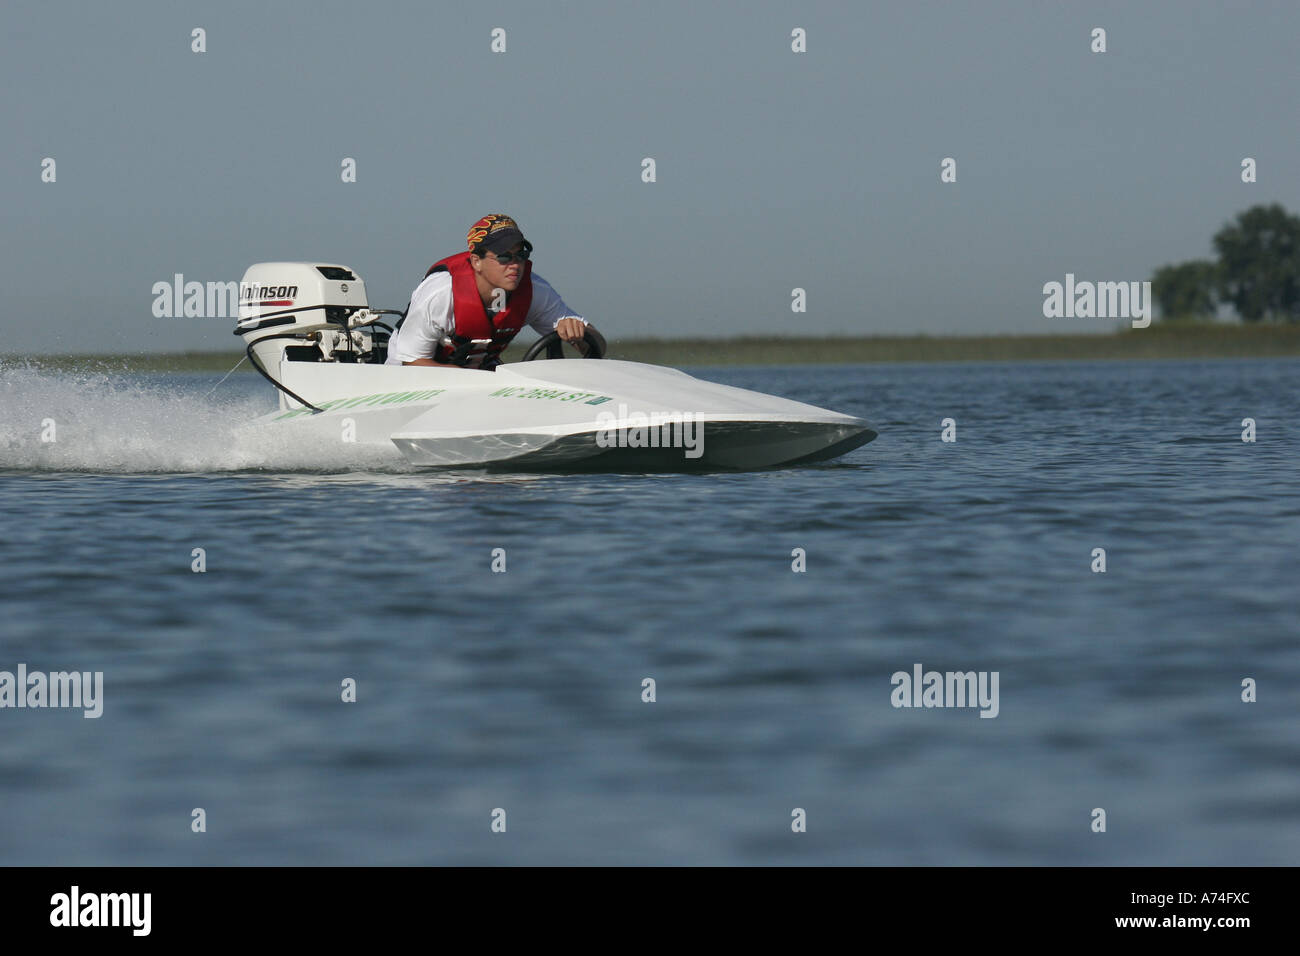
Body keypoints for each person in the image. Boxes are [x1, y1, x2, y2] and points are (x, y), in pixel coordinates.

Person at [386, 214, 601, 369]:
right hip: (409, 372)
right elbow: (412, 362)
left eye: (520, 255)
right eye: (504, 257)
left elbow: (597, 345)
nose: (515, 264)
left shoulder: (536, 291)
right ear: (476, 261)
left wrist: (579, 333)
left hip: (477, 376)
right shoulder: (440, 294)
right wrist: (460, 379)